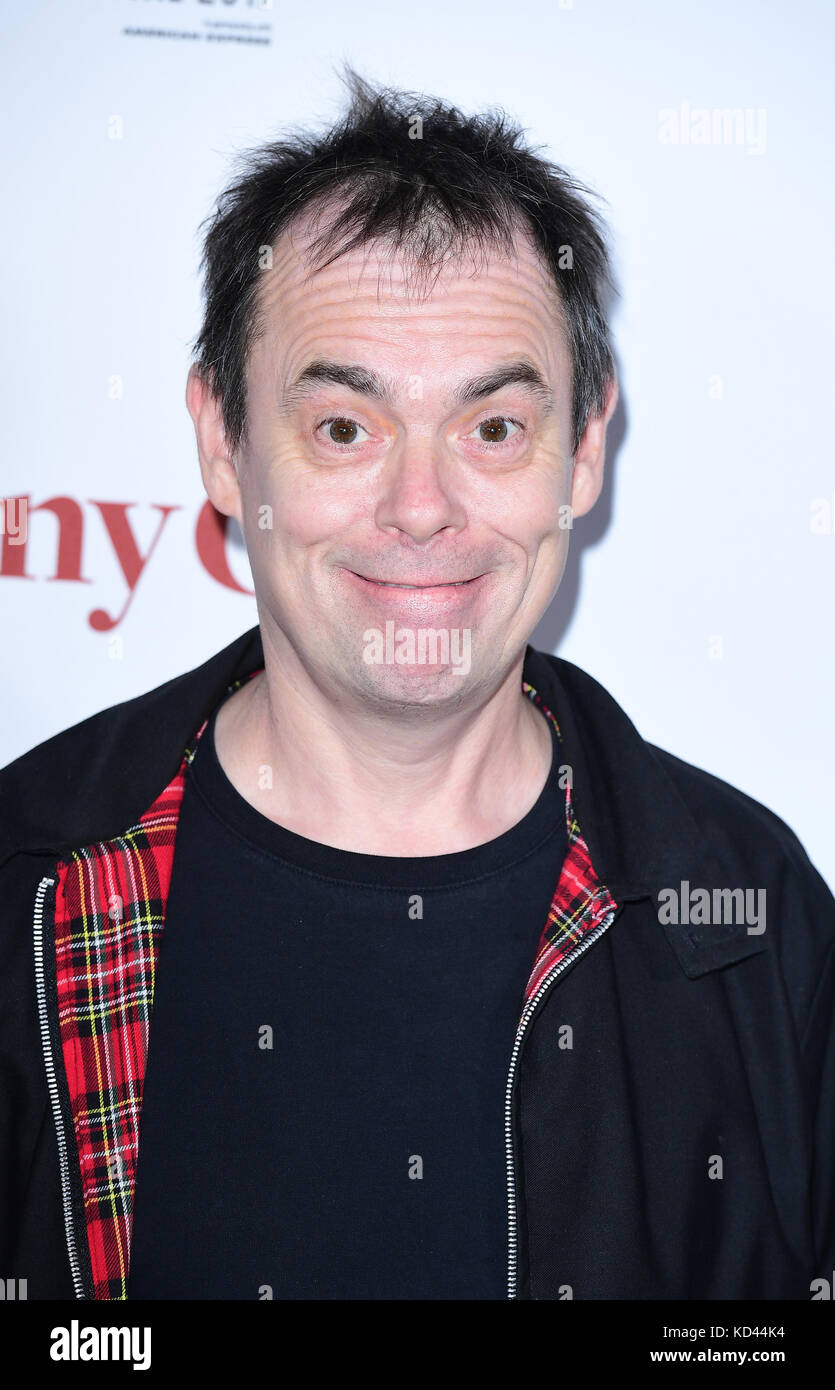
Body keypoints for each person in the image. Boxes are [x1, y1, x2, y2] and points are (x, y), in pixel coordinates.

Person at [1, 67, 833, 1302]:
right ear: (223, 442)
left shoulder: (745, 913)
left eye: (493, 428)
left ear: (584, 448)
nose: (423, 508)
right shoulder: (28, 882)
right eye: (345, 428)